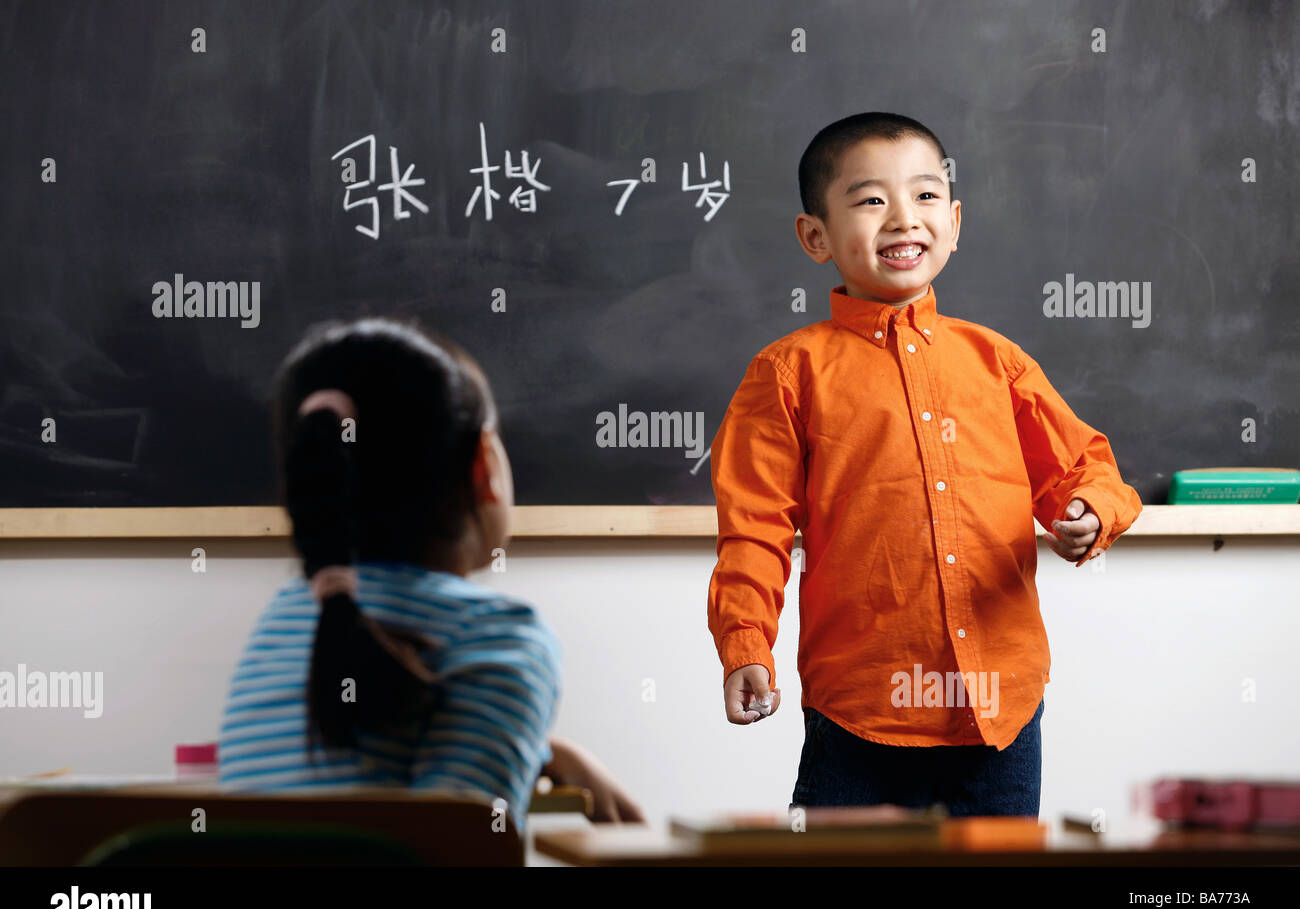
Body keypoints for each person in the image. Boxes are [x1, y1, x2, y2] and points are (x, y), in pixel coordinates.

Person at [707, 111, 1142, 816]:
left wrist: (1090, 511)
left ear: (956, 221)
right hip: (860, 714)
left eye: (926, 195)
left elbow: (1084, 466)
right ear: (815, 236)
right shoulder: (787, 373)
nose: (903, 218)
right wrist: (746, 642)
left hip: (1000, 710)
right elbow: (754, 530)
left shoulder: (996, 361)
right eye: (871, 199)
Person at [218, 317, 643, 832]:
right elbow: (452, 852)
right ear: (484, 466)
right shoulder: (501, 639)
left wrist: (537, 749)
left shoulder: (286, 621)